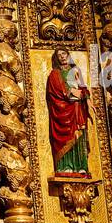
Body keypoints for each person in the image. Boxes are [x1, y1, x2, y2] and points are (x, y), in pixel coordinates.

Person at [46, 48, 91, 176]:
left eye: (64, 54)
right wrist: (70, 91)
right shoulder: (54, 74)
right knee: (65, 139)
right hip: (63, 110)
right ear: (56, 58)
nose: (62, 57)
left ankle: (81, 166)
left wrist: (86, 99)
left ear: (68, 55)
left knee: (79, 135)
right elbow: (54, 90)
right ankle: (65, 166)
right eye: (59, 55)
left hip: (77, 109)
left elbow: (83, 89)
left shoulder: (75, 71)